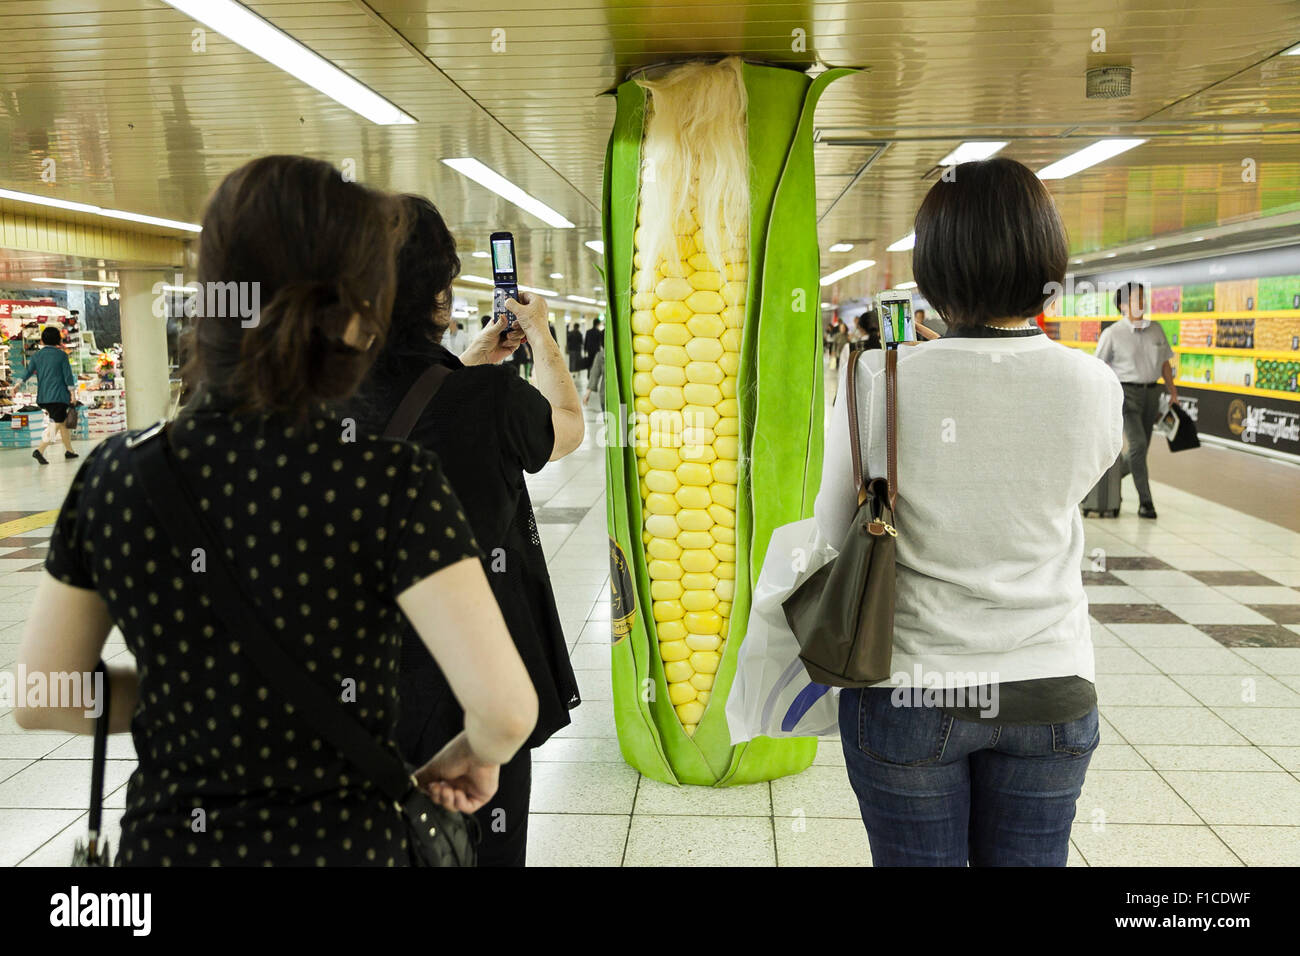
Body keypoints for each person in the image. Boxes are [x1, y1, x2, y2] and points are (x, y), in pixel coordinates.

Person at [16, 155, 538, 866]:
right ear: (357, 319)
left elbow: (43, 695)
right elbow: (507, 710)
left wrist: (193, 694)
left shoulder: (119, 473)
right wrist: (474, 755)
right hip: (350, 848)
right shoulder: (389, 481)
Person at [815, 157, 1122, 867]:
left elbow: (836, 532)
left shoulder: (875, 381)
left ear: (934, 264)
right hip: (1050, 685)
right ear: (1046, 257)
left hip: (911, 688)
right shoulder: (1095, 385)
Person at [350, 195, 584, 867]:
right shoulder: (491, 402)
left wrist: (466, 363)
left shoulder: (303, 400)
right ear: (440, 297)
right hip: (465, 682)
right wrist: (540, 340)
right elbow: (566, 423)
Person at [1095, 282, 1178, 519]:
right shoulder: (1112, 334)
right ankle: (1146, 503)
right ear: (1122, 305)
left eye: (1143, 298)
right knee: (1138, 446)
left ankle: (1106, 482)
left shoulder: (1156, 329)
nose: (1142, 304)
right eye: (1136, 299)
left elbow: (1165, 364)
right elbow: (1099, 367)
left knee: (1140, 451)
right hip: (1126, 395)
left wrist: (1173, 392)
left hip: (1152, 394)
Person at [18, 325, 79, 464]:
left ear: (42, 340)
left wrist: (17, 384)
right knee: (56, 423)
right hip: (58, 396)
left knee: (62, 423)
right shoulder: (61, 355)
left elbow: (28, 372)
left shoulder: (37, 356)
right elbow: (68, 377)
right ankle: (40, 450)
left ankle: (69, 451)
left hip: (44, 397)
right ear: (57, 340)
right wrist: (73, 395)